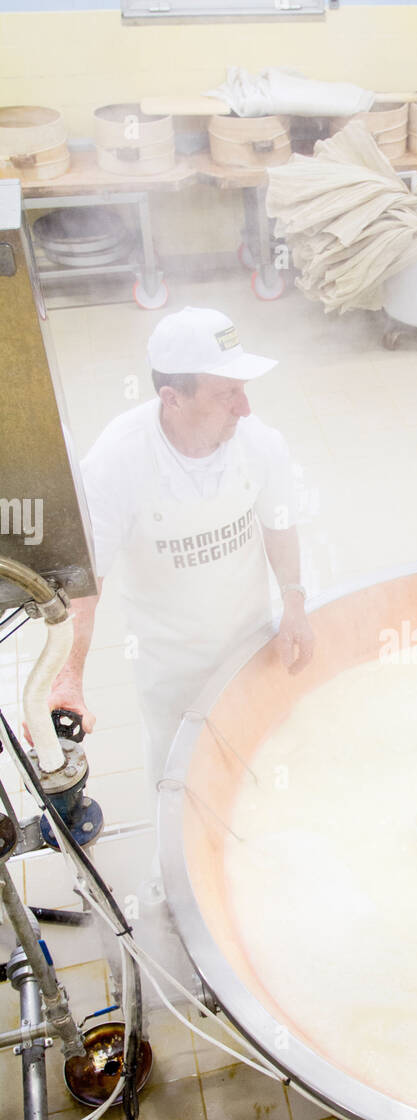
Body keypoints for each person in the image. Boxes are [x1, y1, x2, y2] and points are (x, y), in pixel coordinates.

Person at [51, 306, 314, 800]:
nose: (245, 407)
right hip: (170, 664)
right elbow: (87, 579)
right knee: (180, 781)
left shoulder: (258, 443)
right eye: (226, 393)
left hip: (250, 642)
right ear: (172, 397)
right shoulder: (117, 460)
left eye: (243, 389)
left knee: (256, 768)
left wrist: (294, 603)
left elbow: (279, 524)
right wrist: (68, 675)